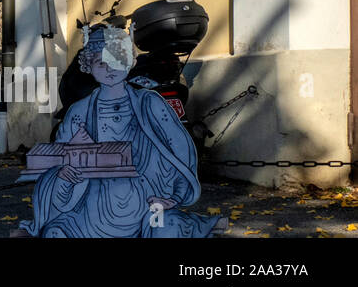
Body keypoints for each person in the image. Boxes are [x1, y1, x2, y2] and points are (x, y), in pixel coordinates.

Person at [14, 25, 226, 238]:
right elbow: (58, 164)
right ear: (89, 66)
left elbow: (180, 151)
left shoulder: (150, 104)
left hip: (147, 205)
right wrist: (64, 176)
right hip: (91, 212)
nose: (110, 68)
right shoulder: (79, 112)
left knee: (165, 229)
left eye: (117, 58)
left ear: (129, 61)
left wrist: (174, 197)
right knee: (54, 233)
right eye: (101, 62)